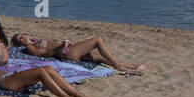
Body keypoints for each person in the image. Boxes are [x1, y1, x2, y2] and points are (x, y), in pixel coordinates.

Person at [12, 33, 151, 73]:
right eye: (19, 39)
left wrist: (62, 44)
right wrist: (60, 47)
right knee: (97, 40)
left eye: (21, 35)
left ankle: (132, 68)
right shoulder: (30, 47)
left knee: (99, 58)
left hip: (66, 51)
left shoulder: (35, 41)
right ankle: (118, 65)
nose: (22, 37)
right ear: (19, 44)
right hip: (67, 53)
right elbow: (42, 55)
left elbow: (46, 49)